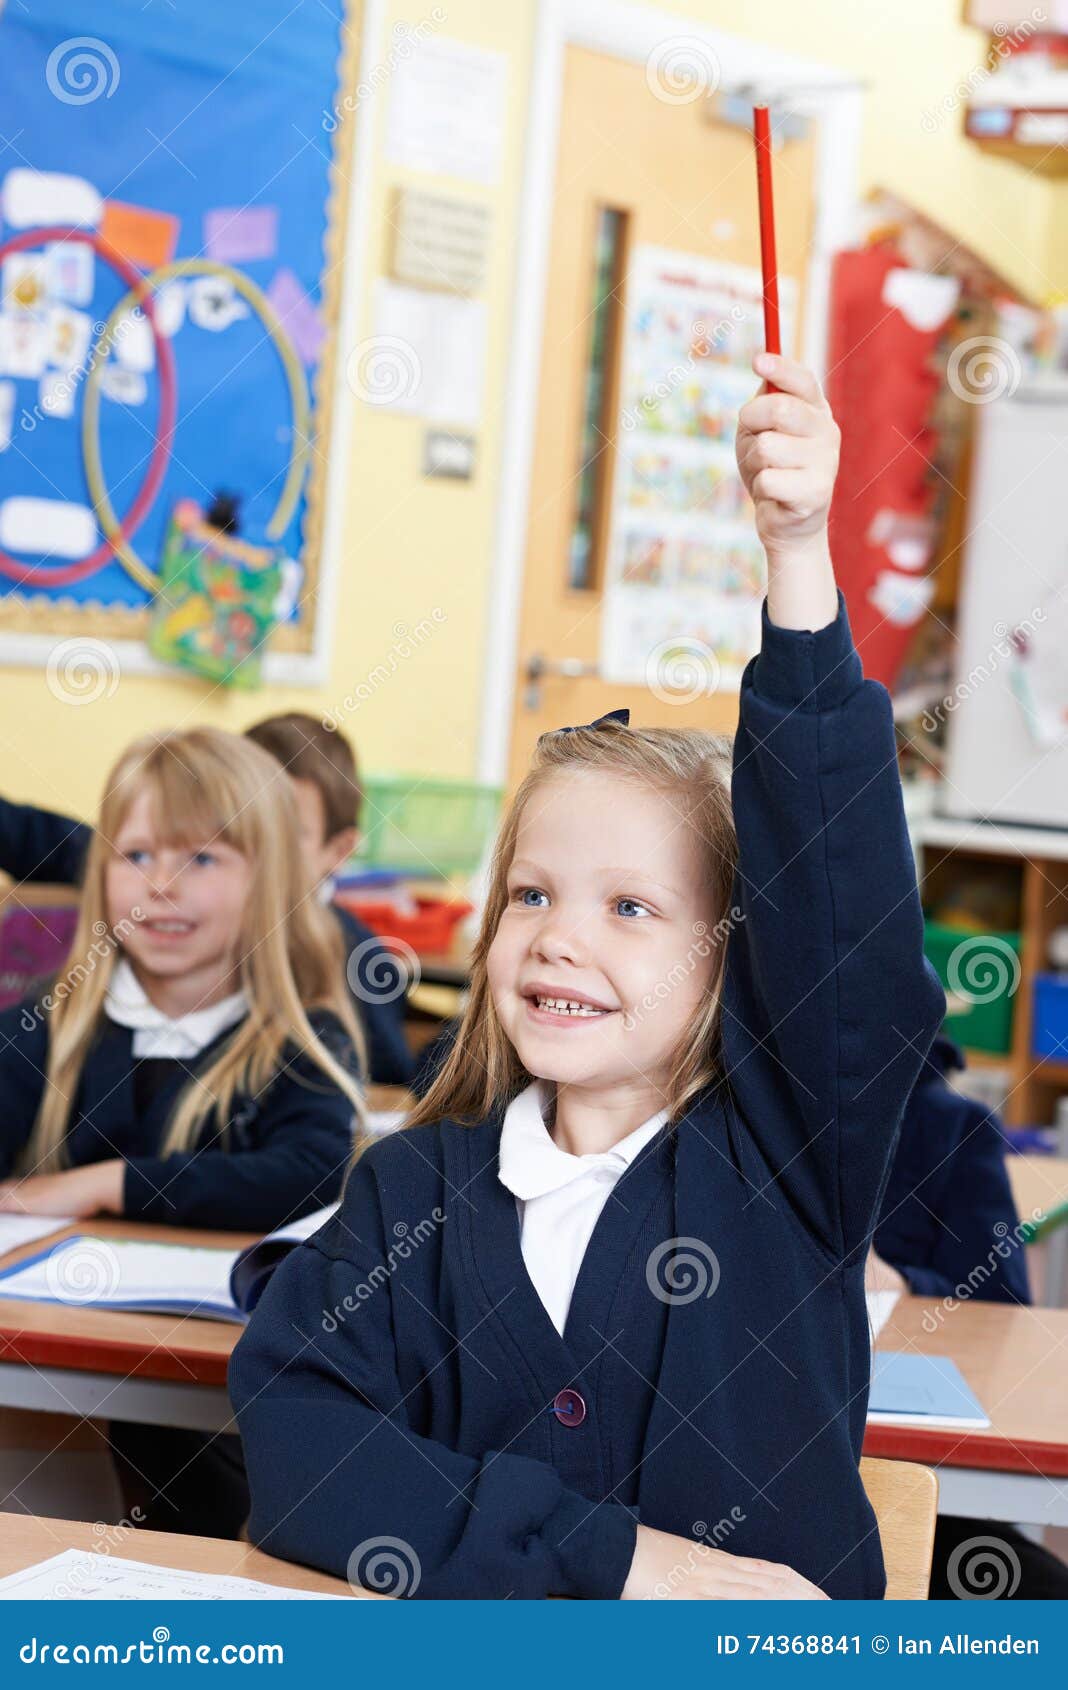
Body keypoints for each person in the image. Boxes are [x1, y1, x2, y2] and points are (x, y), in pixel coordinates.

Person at [228, 352, 945, 1600]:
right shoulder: (416, 1192)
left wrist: (797, 563)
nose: (562, 938)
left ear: (736, 953)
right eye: (531, 895)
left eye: (630, 908)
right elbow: (301, 1446)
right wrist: (622, 1565)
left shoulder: (789, 1158)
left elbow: (844, 921)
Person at [0, 727, 366, 1537]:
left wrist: (105, 1185)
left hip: (221, 1401)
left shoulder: (297, 1043)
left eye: (201, 859)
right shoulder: (54, 1031)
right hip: (53, 1372)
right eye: (135, 856)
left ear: (269, 880)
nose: (160, 885)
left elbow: (305, 1172)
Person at [0, 711, 413, 1085]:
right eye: (230, 822)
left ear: (337, 850)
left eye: (284, 830)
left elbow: (394, 1082)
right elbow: (49, 839)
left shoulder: (355, 958)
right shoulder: (143, 871)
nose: (163, 882)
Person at [870, 1036, 1068, 1600]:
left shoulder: (950, 1125)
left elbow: (1002, 1305)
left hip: (905, 1457)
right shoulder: (734, 1114)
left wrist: (901, 1283)